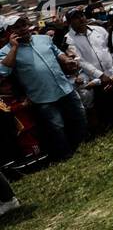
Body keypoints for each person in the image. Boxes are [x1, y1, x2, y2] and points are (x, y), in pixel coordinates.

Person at [0, 15, 87, 161]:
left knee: (79, 117)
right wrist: (14, 47)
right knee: (56, 127)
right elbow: (3, 70)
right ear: (10, 32)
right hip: (42, 96)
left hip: (63, 87)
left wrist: (67, 60)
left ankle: (82, 146)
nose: (22, 29)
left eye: (24, 25)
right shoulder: (5, 50)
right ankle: (66, 155)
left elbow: (57, 52)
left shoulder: (43, 39)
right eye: (17, 27)